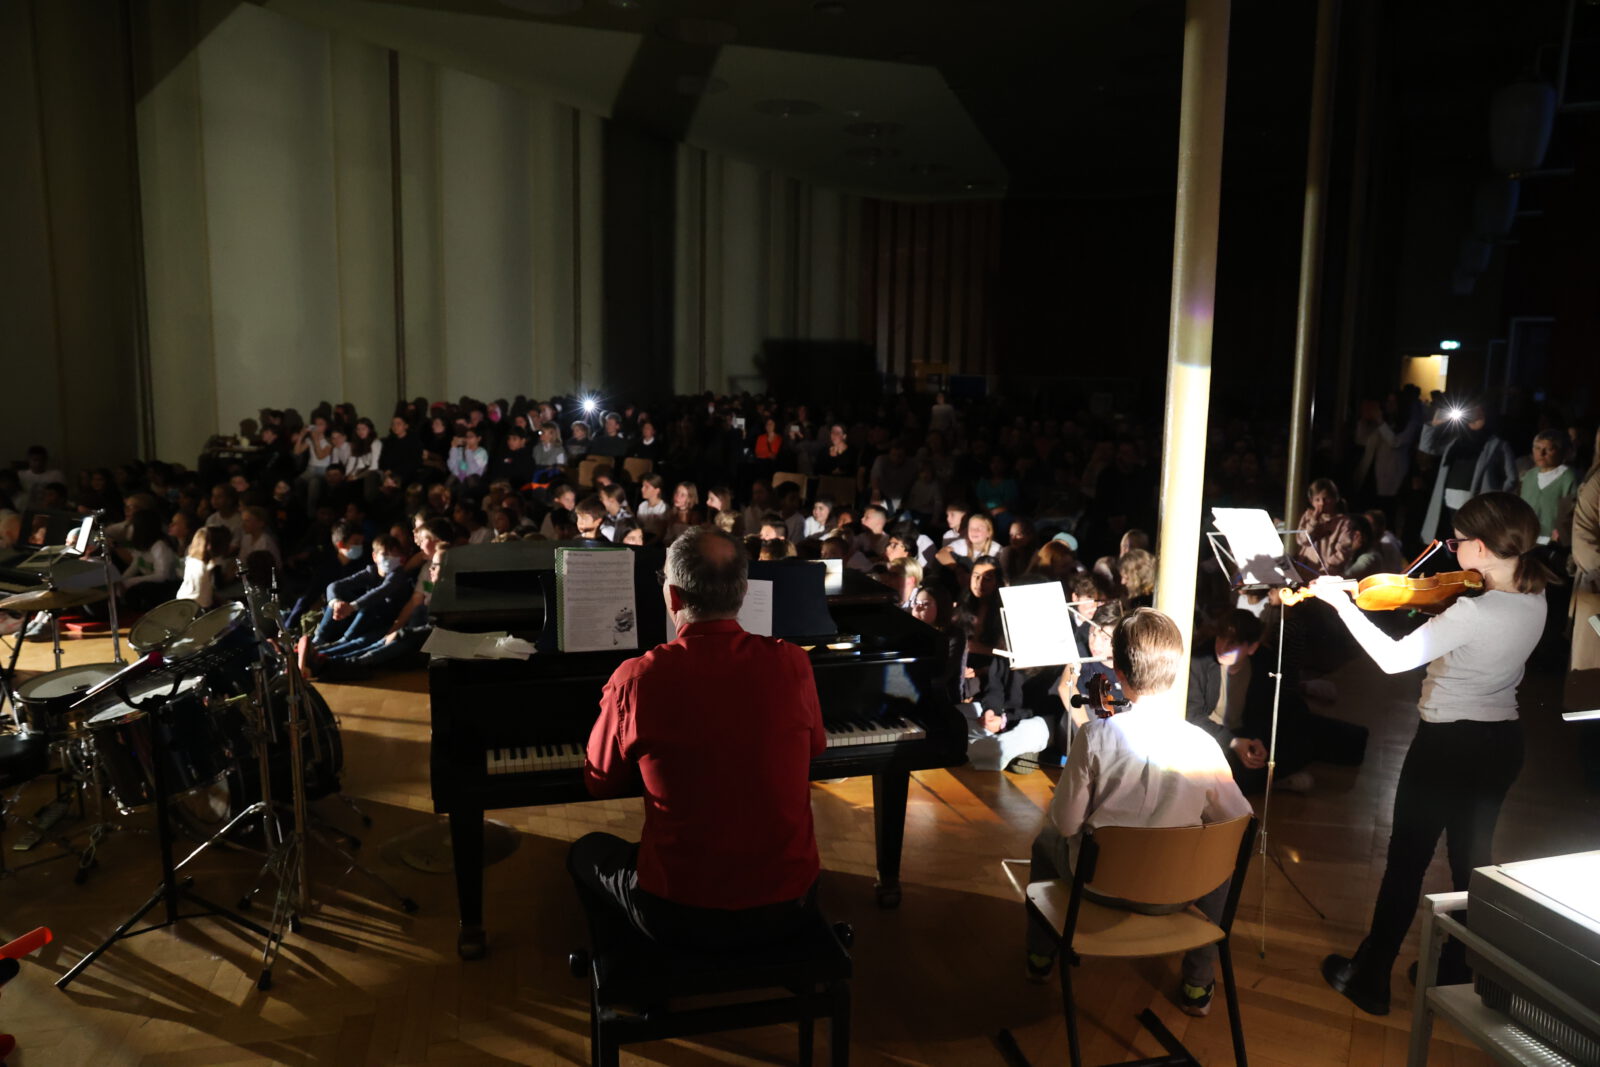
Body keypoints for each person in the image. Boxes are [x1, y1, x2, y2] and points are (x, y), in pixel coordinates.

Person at [1310, 491, 1557, 1015]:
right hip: (1501, 743)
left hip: (1448, 744)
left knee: (1407, 862)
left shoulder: (1473, 612)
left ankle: (1370, 978)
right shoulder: (1535, 596)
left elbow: (1393, 659)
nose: (1450, 547)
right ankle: (1456, 969)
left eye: (1459, 540)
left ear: (1483, 548)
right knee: (1471, 863)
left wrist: (1342, 606)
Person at [568, 527, 825, 948]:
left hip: (680, 911)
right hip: (791, 902)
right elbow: (815, 748)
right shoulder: (794, 663)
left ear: (673, 597)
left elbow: (599, 782)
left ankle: (632, 963)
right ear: (743, 593)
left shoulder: (637, 679)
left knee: (587, 851)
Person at [1027, 608, 1253, 1016]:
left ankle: (1041, 955)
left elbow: (1066, 823)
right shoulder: (1202, 745)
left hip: (1097, 886)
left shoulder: (1095, 736)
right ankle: (1197, 983)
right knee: (1221, 863)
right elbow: (1238, 818)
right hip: (1177, 891)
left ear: (1119, 673)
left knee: (1045, 841)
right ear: (1176, 672)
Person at [1418, 403, 1517, 543]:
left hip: (1477, 506)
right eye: (1471, 412)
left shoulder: (1498, 445)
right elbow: (1427, 447)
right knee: (1448, 542)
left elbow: (1512, 478)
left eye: (1479, 413)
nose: (1474, 416)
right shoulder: (1455, 442)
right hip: (1447, 502)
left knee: (1470, 543)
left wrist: (1493, 499)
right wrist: (1434, 425)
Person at [1518, 429, 1576, 545]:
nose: (1541, 453)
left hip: (1554, 542)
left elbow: (1571, 512)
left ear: (1560, 451)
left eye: (1548, 449)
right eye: (1537, 448)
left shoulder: (1568, 477)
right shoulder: (1529, 476)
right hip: (1527, 539)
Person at [1294, 477, 1356, 575]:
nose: (1322, 503)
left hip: (1327, 573)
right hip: (1306, 570)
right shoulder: (1308, 516)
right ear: (1311, 501)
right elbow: (1302, 540)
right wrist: (1313, 521)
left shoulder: (1344, 522)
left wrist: (1326, 568)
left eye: (1326, 499)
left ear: (1335, 498)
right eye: (1317, 500)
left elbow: (1343, 551)